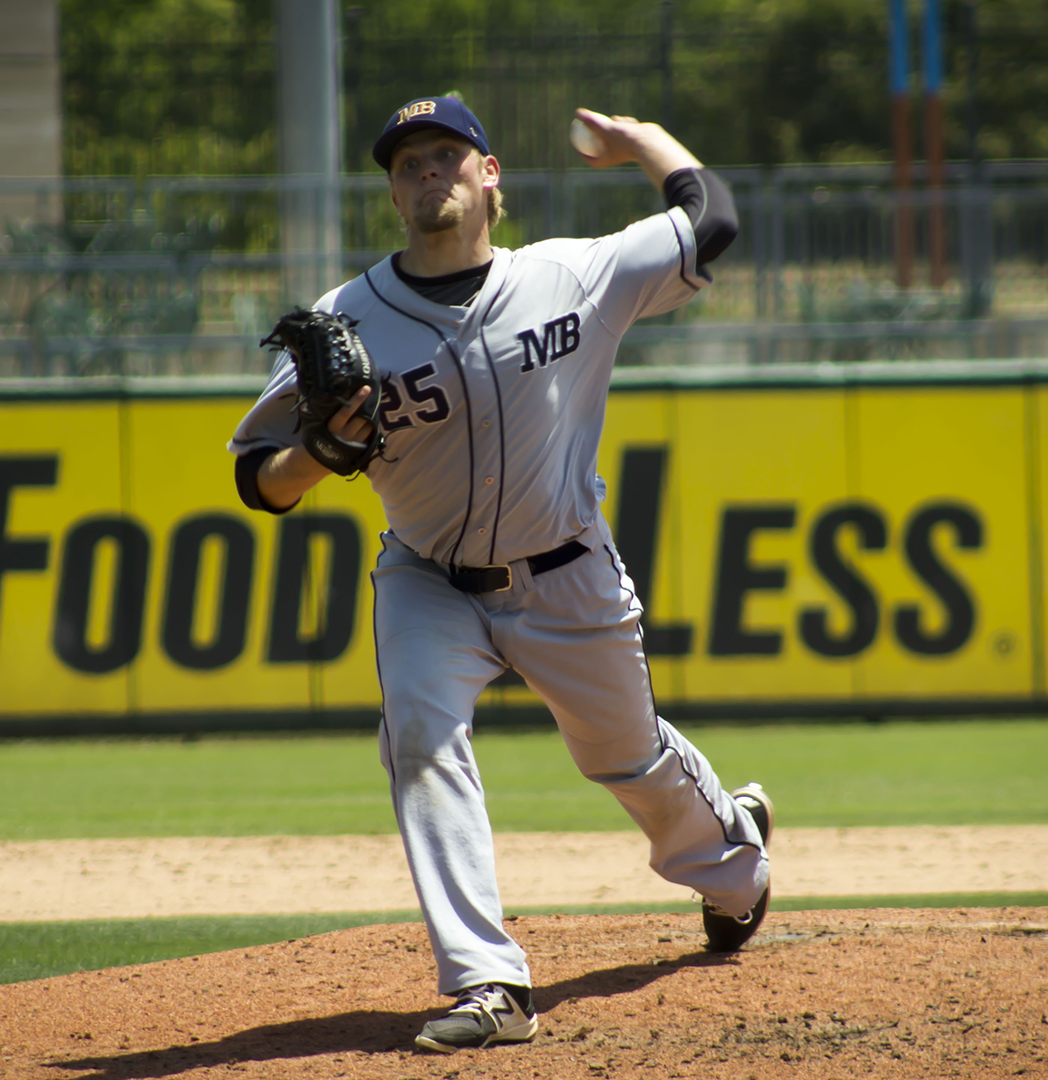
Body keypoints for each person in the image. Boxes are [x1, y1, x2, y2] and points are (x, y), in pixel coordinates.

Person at [227, 95, 772, 1054]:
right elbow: (257, 480)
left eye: (447, 154)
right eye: (407, 164)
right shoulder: (345, 319)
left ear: (490, 177)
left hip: (566, 572)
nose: (427, 172)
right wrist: (315, 453)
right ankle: (487, 981)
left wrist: (643, 143)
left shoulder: (573, 274)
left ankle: (734, 855)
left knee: (624, 758)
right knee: (422, 742)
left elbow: (711, 220)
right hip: (425, 578)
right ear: (394, 192)